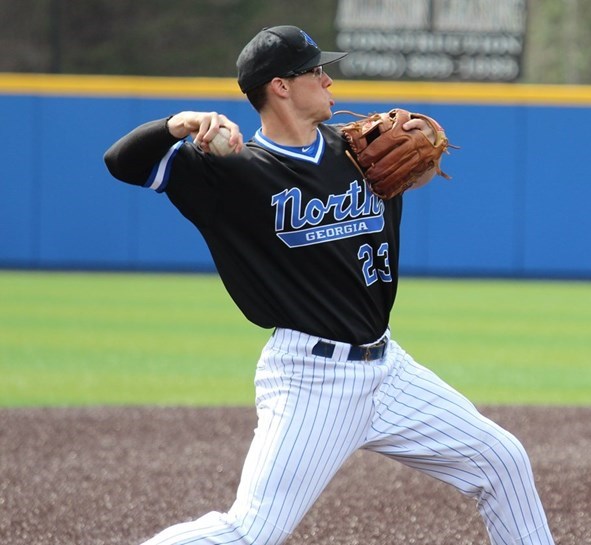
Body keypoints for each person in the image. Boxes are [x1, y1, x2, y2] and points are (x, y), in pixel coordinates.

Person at [103, 25, 555, 545]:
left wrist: (424, 158)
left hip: (389, 370)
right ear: (281, 86)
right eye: (316, 71)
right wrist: (177, 125)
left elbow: (420, 170)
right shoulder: (230, 171)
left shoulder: (360, 149)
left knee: (502, 461)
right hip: (313, 378)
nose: (328, 80)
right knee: (251, 532)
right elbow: (122, 162)